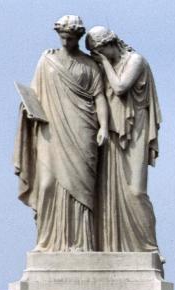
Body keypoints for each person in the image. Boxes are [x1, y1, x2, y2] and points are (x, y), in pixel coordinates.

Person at [14, 15, 109, 252]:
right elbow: (34, 93)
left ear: (78, 37)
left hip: (83, 128)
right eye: (63, 37)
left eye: (71, 38)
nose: (66, 42)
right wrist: (27, 108)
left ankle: (81, 243)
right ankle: (48, 242)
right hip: (51, 129)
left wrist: (104, 127)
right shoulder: (47, 60)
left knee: (81, 187)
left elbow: (99, 98)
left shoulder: (89, 65)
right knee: (47, 184)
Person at [85, 26, 161, 253]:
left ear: (109, 44)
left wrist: (103, 62)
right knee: (111, 192)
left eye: (98, 52)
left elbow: (120, 87)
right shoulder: (103, 67)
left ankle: (148, 246)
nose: (96, 57)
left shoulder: (135, 60)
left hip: (135, 128)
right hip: (112, 132)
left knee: (136, 191)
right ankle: (115, 246)